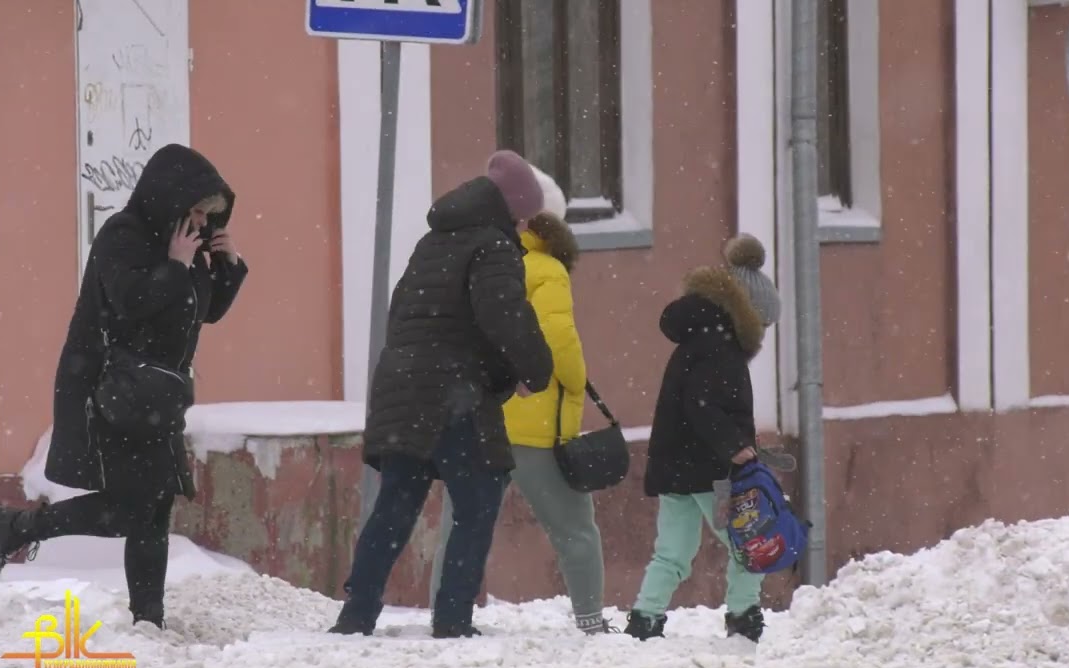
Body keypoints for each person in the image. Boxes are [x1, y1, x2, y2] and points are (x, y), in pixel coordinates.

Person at [0, 144, 249, 629]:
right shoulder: (124, 235)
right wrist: (176, 265)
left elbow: (204, 312)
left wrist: (227, 265)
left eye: (209, 216)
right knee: (132, 509)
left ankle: (148, 618)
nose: (202, 223)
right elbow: (132, 302)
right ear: (171, 198)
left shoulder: (182, 247)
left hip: (158, 395)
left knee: (152, 506)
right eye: (198, 210)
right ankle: (16, 527)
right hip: (113, 392)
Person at [330, 150, 554, 639]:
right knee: (479, 497)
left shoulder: (433, 242)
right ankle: (453, 617)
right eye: (525, 215)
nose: (525, 225)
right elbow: (504, 317)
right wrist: (534, 371)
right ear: (511, 207)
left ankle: (357, 613)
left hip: (402, 387)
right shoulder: (493, 247)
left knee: (396, 503)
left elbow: (418, 318)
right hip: (452, 393)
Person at [427, 166, 614, 634]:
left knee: (459, 527)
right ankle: (590, 620)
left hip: (475, 421)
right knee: (573, 529)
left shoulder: (474, 260)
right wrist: (575, 380)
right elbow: (558, 340)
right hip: (534, 427)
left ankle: (444, 615)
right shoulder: (545, 268)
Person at [624, 234, 780, 642]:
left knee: (673, 551)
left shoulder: (700, 337)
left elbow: (696, 404)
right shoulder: (720, 347)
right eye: (763, 323)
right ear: (747, 315)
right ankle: (745, 615)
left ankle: (645, 618)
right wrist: (736, 447)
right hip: (713, 470)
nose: (763, 334)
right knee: (748, 541)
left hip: (678, 465)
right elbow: (703, 404)